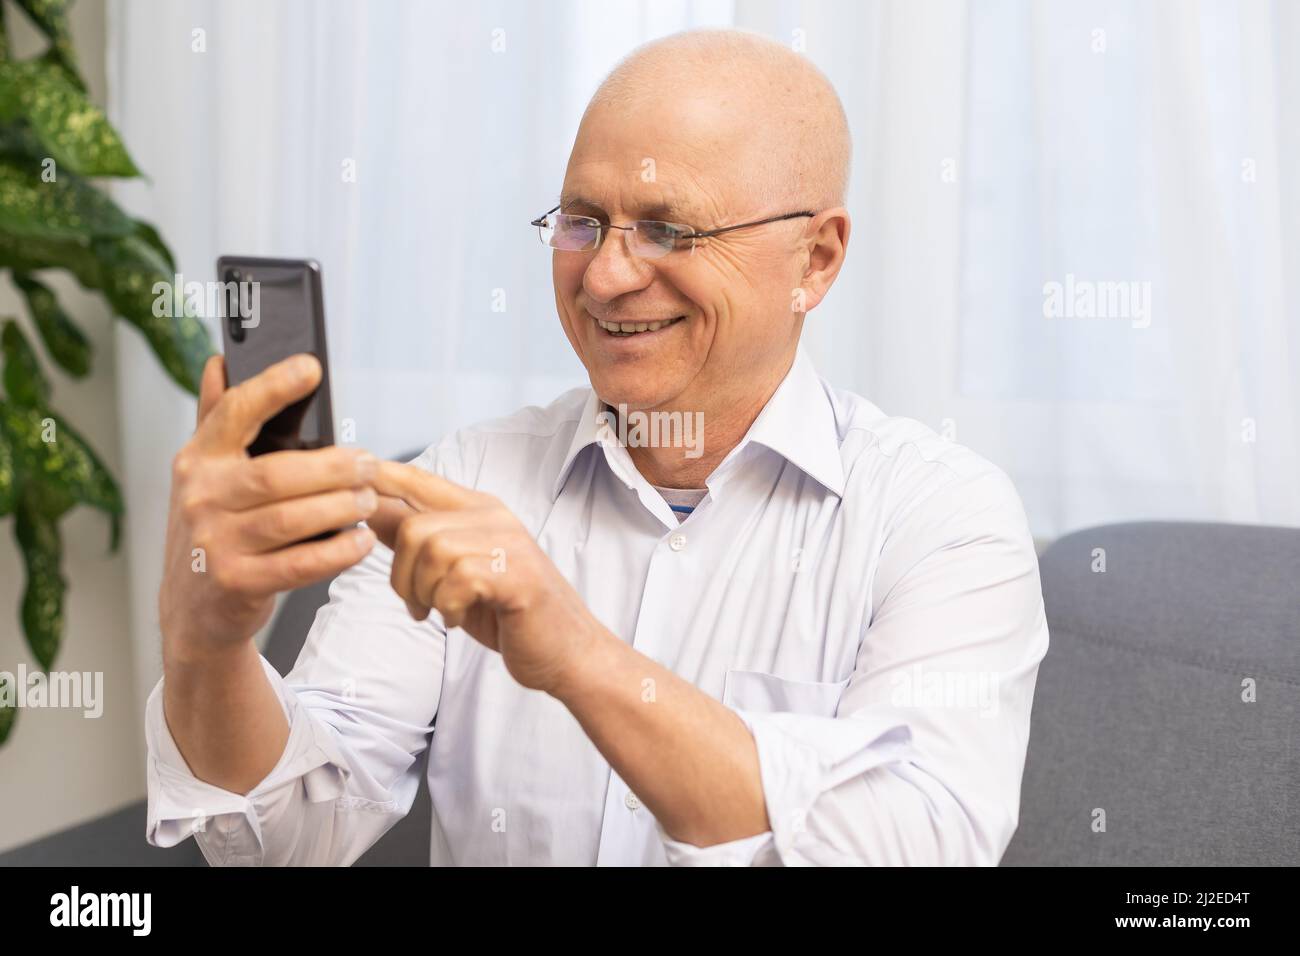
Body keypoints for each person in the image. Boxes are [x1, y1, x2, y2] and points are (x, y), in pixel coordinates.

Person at [146, 29, 1048, 866]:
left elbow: (919, 843)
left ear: (815, 259)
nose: (608, 276)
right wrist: (205, 647)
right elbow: (293, 834)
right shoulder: (462, 477)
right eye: (583, 220)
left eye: (669, 228)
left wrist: (579, 656)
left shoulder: (941, 520)